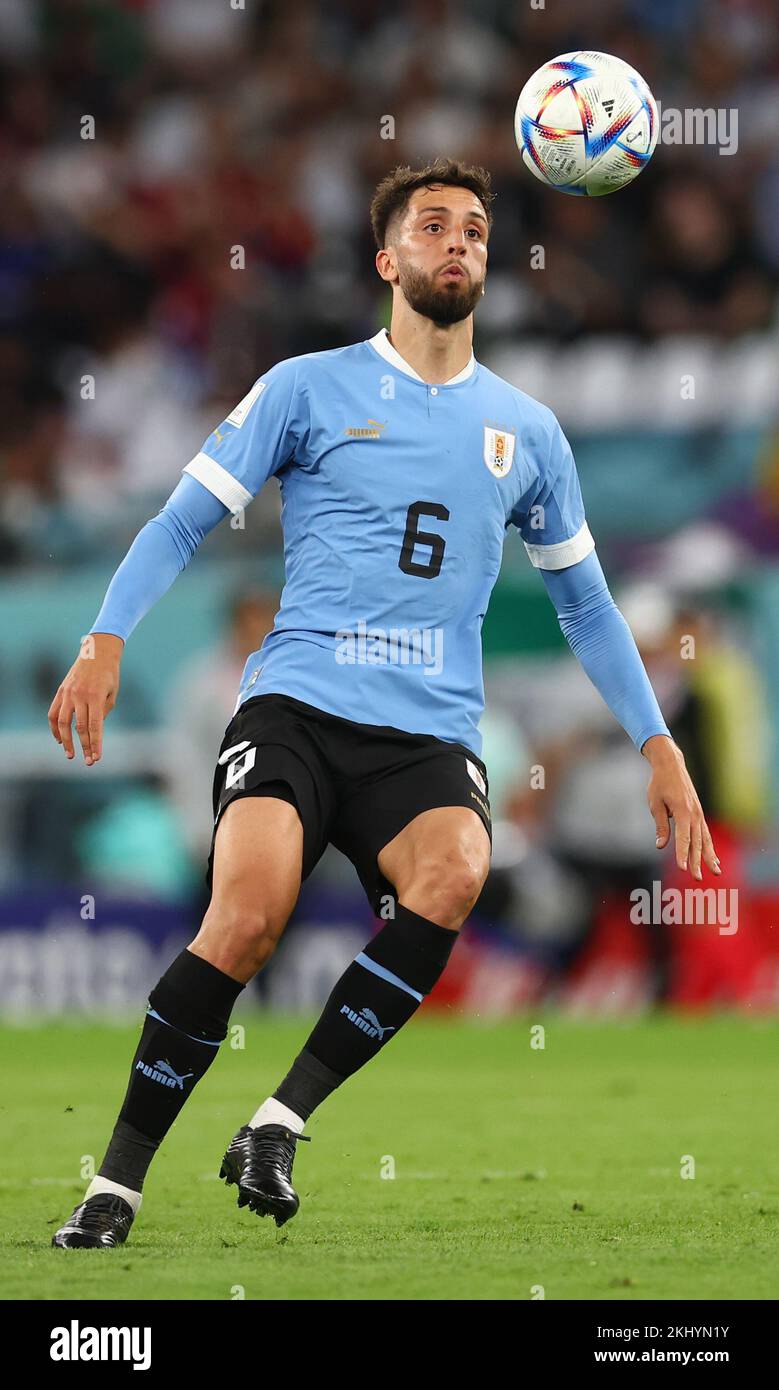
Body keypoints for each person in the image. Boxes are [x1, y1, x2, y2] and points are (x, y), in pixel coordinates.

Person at [47, 157, 719, 1249]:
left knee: (454, 870)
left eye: (474, 232)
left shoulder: (527, 431)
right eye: (433, 227)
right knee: (248, 916)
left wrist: (656, 743)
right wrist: (104, 636)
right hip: (297, 707)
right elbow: (178, 520)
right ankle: (115, 1181)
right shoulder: (303, 387)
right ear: (387, 258)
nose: (457, 243)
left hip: (428, 730)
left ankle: (277, 1119)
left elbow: (588, 607)